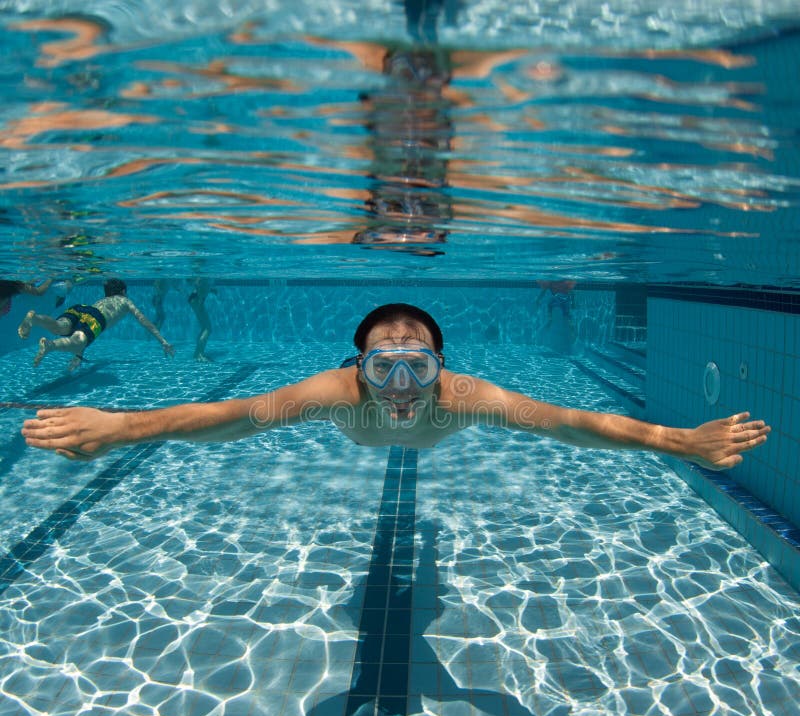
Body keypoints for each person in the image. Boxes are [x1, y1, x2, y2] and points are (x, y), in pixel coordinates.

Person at [21, 303, 769, 469]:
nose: (403, 384)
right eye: (385, 366)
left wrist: (676, 439)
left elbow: (568, 422)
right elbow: (235, 415)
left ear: (444, 367)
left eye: (420, 365)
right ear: (358, 368)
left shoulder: (466, 399)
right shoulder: (333, 394)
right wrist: (124, 426)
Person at [17, 278, 174, 370]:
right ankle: (50, 346)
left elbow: (84, 326)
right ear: (123, 291)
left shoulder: (102, 301)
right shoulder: (125, 301)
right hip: (97, 318)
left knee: (59, 326)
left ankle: (35, 319)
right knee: (77, 342)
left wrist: (79, 356)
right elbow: (144, 321)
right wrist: (163, 341)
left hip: (81, 308)